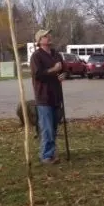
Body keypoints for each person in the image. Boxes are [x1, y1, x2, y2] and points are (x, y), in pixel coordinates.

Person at [30, 29, 66, 164]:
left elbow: (64, 69)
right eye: (45, 36)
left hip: (56, 95)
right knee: (47, 128)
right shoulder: (36, 56)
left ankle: (51, 153)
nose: (49, 37)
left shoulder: (56, 54)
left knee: (54, 126)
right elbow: (38, 74)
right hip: (43, 96)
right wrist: (53, 70)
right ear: (39, 41)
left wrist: (63, 74)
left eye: (49, 35)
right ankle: (45, 156)